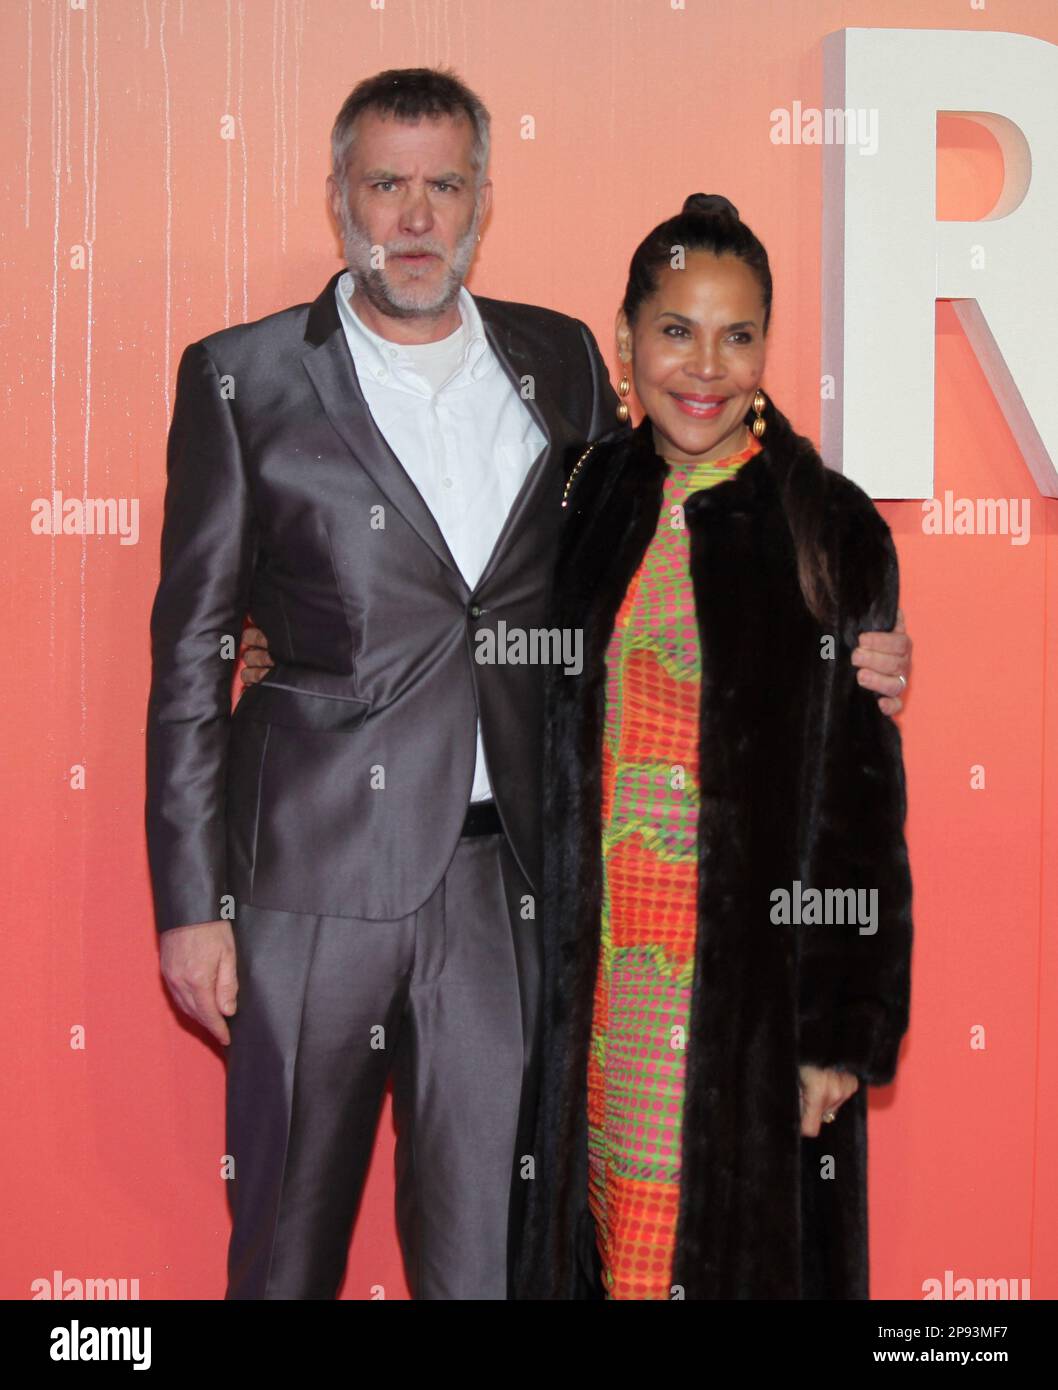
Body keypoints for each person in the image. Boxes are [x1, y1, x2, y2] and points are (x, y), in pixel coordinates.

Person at [147, 62, 910, 1302]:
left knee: (490, 1262)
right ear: (337, 194)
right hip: (307, 884)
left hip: (509, 888)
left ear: (482, 200)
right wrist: (191, 902)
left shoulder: (556, 361)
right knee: (282, 1249)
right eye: (385, 184)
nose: (412, 217)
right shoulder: (242, 379)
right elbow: (189, 648)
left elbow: (696, 509)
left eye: (442, 185)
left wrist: (855, 628)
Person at [509, 194, 914, 1301]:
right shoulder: (581, 495)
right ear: (626, 339)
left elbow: (859, 805)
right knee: (597, 1256)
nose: (705, 365)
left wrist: (836, 1028)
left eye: (737, 334)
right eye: (675, 329)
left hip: (744, 992)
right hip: (593, 983)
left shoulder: (824, 524)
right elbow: (472, 648)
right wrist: (272, 646)